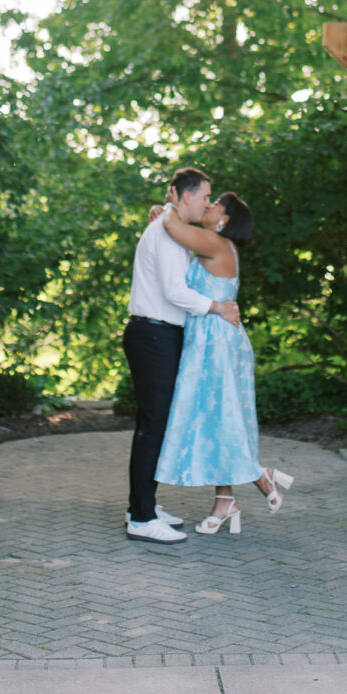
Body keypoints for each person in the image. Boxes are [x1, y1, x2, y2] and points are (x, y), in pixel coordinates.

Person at [154, 191, 293, 534]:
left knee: (221, 419)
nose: (208, 204)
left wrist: (170, 205)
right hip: (209, 342)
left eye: (214, 202)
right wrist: (165, 213)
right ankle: (242, 487)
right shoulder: (211, 243)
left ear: (225, 218)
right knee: (215, 422)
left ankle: (244, 484)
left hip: (217, 344)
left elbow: (173, 224)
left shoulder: (215, 243)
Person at [123, 167, 242, 545]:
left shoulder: (171, 230)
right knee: (153, 428)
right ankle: (141, 519)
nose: (208, 203)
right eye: (205, 196)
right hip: (155, 333)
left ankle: (142, 505)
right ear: (184, 195)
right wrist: (218, 307)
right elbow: (175, 291)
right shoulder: (169, 234)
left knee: (153, 424)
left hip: (157, 333)